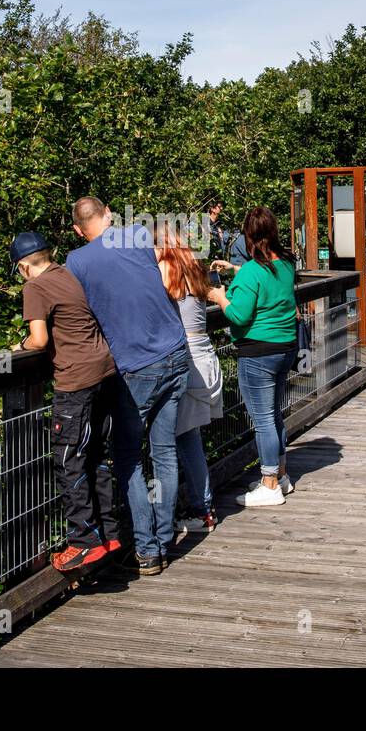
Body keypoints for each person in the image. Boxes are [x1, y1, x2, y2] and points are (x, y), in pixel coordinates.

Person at [66, 197, 191, 575]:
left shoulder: (76, 262)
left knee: (128, 457)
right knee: (165, 451)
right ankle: (165, 537)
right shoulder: (136, 235)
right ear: (108, 216)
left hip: (135, 366)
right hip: (176, 350)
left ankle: (148, 549)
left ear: (77, 230)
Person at [10, 231, 121, 571]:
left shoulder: (35, 287)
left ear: (25, 266)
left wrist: (19, 348)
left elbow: (40, 339)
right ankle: (109, 533)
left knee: (69, 459)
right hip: (105, 371)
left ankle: (84, 541)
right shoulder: (67, 274)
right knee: (97, 456)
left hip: (76, 380)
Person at [208, 206, 299, 507]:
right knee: (274, 414)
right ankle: (281, 476)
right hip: (285, 347)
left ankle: (269, 483)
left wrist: (221, 296)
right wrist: (235, 270)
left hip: (257, 353)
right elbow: (266, 275)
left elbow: (238, 314)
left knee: (262, 421)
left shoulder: (251, 271)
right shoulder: (286, 264)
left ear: (248, 236)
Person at [155, 223, 222, 534]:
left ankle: (202, 509)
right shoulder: (194, 268)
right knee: (188, 437)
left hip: (187, 359)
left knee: (182, 440)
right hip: (204, 354)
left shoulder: (167, 271)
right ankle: (201, 505)